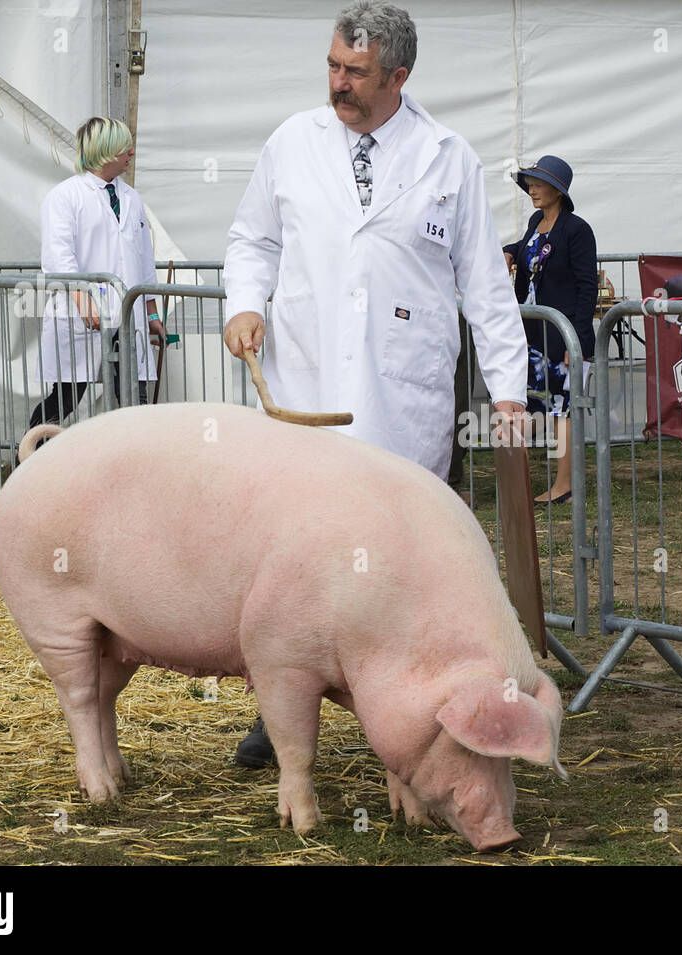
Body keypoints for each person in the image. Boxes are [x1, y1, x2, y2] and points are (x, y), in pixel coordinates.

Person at [222, 1, 528, 766]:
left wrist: (510, 391)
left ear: (399, 75)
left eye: (355, 72)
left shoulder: (448, 156)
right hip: (305, 390)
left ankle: (411, 710)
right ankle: (281, 712)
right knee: (295, 560)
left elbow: (486, 286)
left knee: (399, 560)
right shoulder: (293, 143)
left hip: (402, 396)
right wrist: (244, 304)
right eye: (332, 65)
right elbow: (251, 238)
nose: (338, 82)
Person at [30, 117, 161, 429]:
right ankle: (30, 457)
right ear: (106, 151)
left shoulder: (131, 197)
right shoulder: (66, 196)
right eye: (124, 148)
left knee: (133, 395)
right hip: (83, 313)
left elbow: (144, 258)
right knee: (65, 396)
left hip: (128, 312)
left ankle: (134, 466)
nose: (131, 153)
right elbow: (58, 254)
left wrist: (152, 311)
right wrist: (80, 296)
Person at [503, 155, 597, 503]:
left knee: (563, 409)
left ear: (558, 190)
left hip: (562, 334)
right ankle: (520, 484)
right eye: (530, 183)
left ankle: (565, 485)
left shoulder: (577, 230)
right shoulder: (535, 221)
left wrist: (578, 341)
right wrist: (510, 251)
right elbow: (529, 247)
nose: (532, 189)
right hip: (531, 332)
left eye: (539, 184)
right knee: (530, 403)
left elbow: (587, 288)